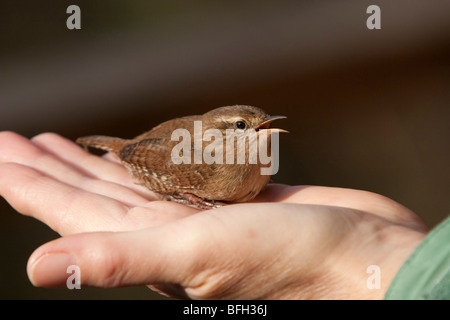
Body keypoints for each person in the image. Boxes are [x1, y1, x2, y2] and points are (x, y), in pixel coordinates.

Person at [0, 131, 448, 299]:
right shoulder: (207, 160)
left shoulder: (251, 163)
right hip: (146, 160)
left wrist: (367, 252)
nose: (258, 134)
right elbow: (148, 161)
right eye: (242, 127)